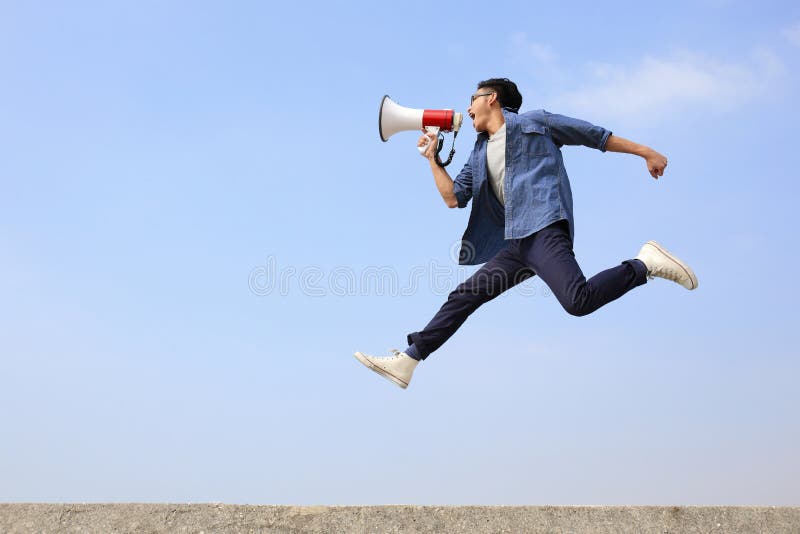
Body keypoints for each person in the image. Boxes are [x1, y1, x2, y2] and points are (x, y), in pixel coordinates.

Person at [354, 77, 697, 389]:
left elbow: (596, 136)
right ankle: (410, 359)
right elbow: (452, 197)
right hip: (516, 242)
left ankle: (644, 264)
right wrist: (433, 159)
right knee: (465, 295)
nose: (467, 106)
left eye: (472, 98)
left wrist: (646, 152)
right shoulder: (478, 150)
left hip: (544, 225)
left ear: (492, 99)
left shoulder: (537, 121)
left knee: (578, 301)